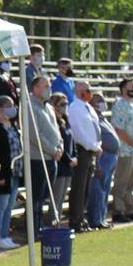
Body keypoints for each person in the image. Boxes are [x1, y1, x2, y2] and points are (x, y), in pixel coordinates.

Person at [24, 75, 63, 237]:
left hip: (51, 158)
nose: (49, 89)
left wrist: (60, 146)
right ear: (35, 88)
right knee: (36, 198)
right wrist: (53, 150)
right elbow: (34, 135)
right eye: (46, 86)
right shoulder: (29, 107)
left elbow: (57, 130)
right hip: (37, 159)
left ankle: (40, 228)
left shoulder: (48, 107)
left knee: (44, 197)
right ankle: (33, 230)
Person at [66, 79, 101, 232]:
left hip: (92, 150)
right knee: (79, 188)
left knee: (86, 187)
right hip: (82, 150)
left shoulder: (89, 108)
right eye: (86, 89)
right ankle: (75, 220)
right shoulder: (74, 108)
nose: (89, 92)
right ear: (78, 91)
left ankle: (82, 218)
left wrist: (97, 146)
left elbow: (95, 128)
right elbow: (78, 133)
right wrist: (93, 146)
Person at [0, 95, 22, 249]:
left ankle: (4, 234)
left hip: (15, 170)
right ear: (0, 108)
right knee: (1, 206)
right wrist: (0, 175)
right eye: (9, 105)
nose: (13, 108)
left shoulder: (12, 124)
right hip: (3, 172)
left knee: (9, 206)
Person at [110, 75, 133, 222]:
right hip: (125, 150)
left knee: (131, 182)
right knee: (122, 181)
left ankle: (129, 209)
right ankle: (118, 211)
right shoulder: (119, 105)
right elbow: (118, 129)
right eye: (131, 88)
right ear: (123, 90)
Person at [88, 92, 118, 229]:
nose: (103, 102)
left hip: (111, 157)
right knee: (98, 190)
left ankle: (102, 217)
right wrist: (98, 165)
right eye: (99, 100)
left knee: (105, 190)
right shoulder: (92, 118)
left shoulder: (102, 118)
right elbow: (95, 141)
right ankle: (96, 220)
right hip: (102, 157)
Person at [50, 92, 77, 221]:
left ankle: (58, 221)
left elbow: (72, 141)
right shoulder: (54, 122)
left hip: (69, 165)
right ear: (54, 106)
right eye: (62, 104)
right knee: (56, 197)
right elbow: (58, 142)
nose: (65, 106)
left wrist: (75, 157)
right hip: (61, 164)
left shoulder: (66, 120)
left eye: (66, 104)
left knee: (62, 197)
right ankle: (53, 222)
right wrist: (68, 159)